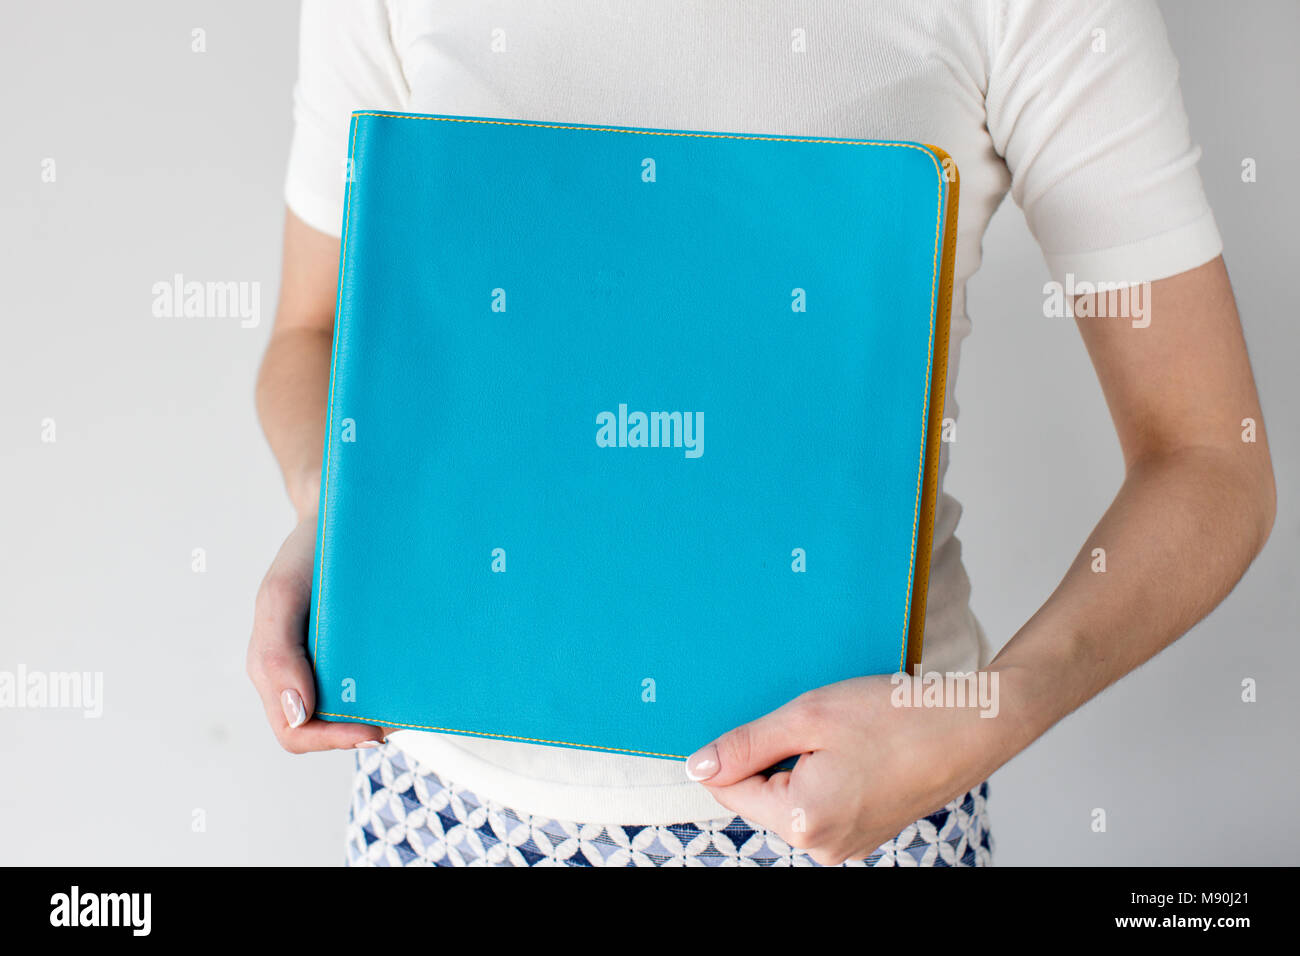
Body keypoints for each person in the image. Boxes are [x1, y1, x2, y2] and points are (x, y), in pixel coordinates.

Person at [247, 0, 1275, 866]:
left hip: (851, 823)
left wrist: (981, 713)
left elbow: (1207, 455)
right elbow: (312, 334)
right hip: (435, 812)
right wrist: (329, 514)